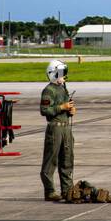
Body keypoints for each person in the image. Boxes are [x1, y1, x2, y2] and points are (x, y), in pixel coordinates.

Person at [40, 59, 76, 201]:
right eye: (61, 73)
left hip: (66, 127)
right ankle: (50, 191)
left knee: (67, 159)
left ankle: (67, 190)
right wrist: (62, 107)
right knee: (51, 161)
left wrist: (71, 110)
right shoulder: (49, 90)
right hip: (55, 128)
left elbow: (65, 107)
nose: (63, 76)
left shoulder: (63, 88)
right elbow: (44, 110)